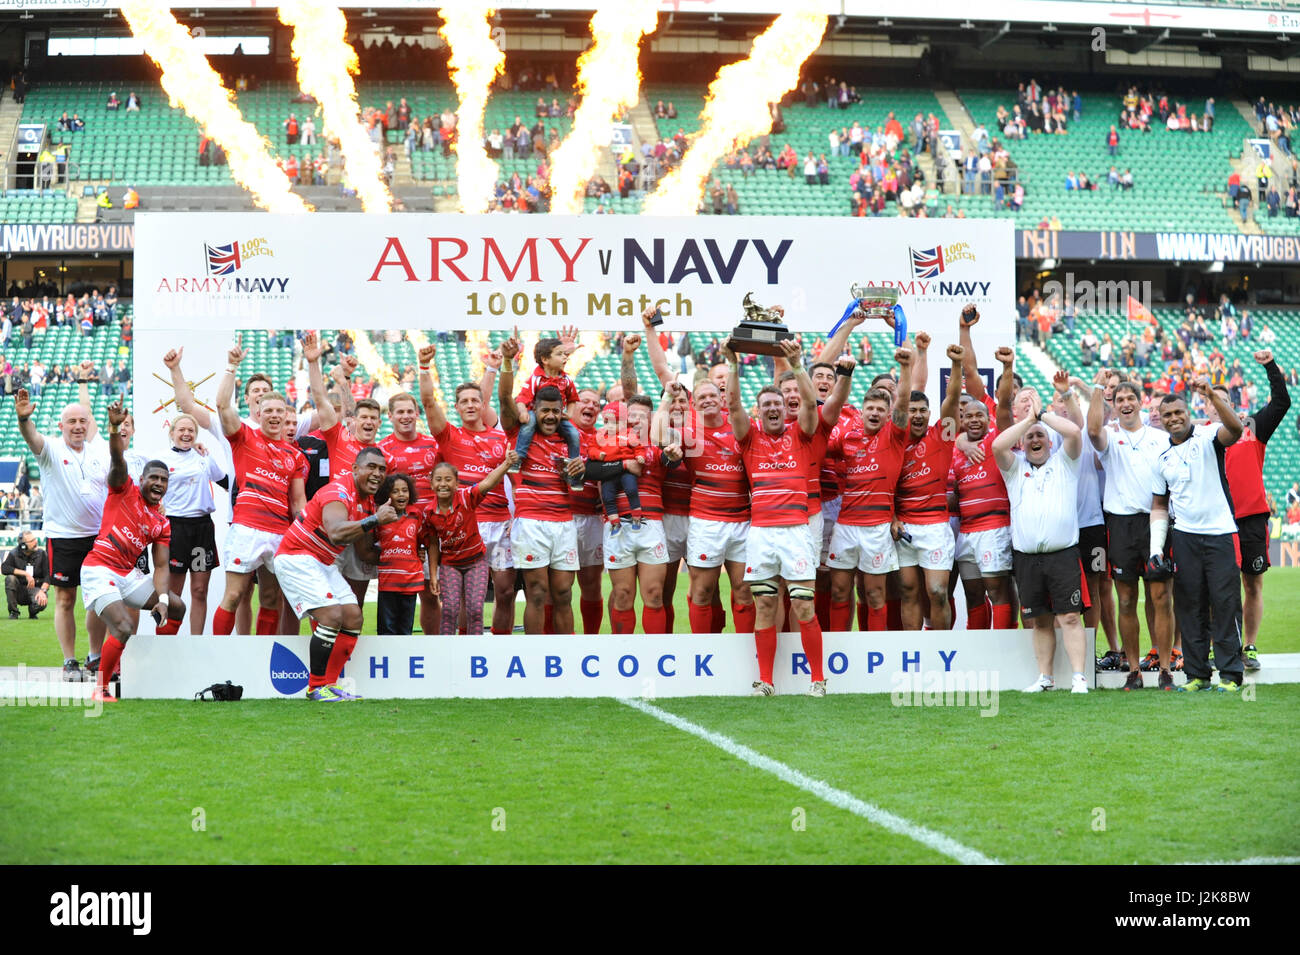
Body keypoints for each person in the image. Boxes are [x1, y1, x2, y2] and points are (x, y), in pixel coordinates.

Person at [728, 338, 842, 697]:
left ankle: (818, 680)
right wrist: (732, 365)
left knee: (804, 605)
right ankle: (766, 681)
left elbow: (811, 401)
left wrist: (796, 365)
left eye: (777, 403)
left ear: (784, 408)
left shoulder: (801, 435)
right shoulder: (749, 440)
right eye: (766, 405)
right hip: (761, 533)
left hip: (795, 532)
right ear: (758, 411)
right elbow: (732, 405)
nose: (773, 409)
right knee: (764, 604)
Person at [82, 401, 186, 702]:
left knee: (178, 607)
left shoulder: (161, 522)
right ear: (141, 480)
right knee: (125, 625)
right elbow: (117, 459)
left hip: (128, 574)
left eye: (164, 480)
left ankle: (158, 666)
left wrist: (163, 601)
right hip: (99, 569)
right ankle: (100, 689)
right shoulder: (122, 487)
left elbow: (162, 566)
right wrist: (115, 428)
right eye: (153, 478)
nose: (159, 483)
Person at [276, 447, 397, 701]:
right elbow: (337, 532)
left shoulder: (366, 502)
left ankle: (328, 685)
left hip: (322, 560)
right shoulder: (338, 491)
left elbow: (364, 550)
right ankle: (315, 687)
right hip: (297, 556)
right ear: (355, 469)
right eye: (371, 467)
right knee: (331, 615)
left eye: (382, 469)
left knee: (353, 616)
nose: (377, 474)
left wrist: (402, 554)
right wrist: (376, 519)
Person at [1151, 384, 1246, 692]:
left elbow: (1235, 427)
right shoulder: (1161, 457)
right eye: (1167, 414)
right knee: (1189, 607)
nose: (1173, 418)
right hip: (1185, 537)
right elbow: (1159, 506)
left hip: (1219, 533)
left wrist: (1213, 396)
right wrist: (1156, 548)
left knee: (1225, 604)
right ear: (1161, 419)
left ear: (1189, 412)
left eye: (1178, 412)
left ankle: (1231, 675)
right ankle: (1197, 676)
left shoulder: (1210, 435)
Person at [993, 393, 1089, 694]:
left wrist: (1041, 415)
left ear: (1050, 442)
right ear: (1022, 442)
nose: (1035, 439)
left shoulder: (1065, 462)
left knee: (1070, 617)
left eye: (1041, 437)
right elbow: (998, 445)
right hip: (1027, 557)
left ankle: (1078, 678)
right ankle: (1045, 677)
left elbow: (1073, 431)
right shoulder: (1013, 468)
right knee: (1040, 620)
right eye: (1030, 437)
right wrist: (1028, 421)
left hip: (1063, 555)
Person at [15, 380, 110, 681]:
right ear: (61, 425)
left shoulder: (97, 450)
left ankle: (95, 657)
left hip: (98, 536)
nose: (78, 426)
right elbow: (32, 439)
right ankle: (70, 661)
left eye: (83, 421)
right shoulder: (51, 450)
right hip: (64, 536)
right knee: (65, 600)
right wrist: (23, 419)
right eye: (72, 421)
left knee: (98, 599)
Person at [210, 343, 308, 635]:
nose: (275, 415)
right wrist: (231, 367)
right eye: (269, 410)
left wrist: (304, 535)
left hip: (279, 532)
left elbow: (298, 502)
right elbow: (222, 405)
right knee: (234, 595)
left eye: (280, 410)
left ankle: (262, 655)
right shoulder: (243, 438)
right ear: (259, 412)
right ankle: (219, 653)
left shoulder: (296, 456)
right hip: (246, 529)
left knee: (270, 598)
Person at [1088, 376, 1175, 687]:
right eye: (1119, 399)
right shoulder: (1110, 438)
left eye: (1130, 398)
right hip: (1121, 525)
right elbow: (1093, 430)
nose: (1125, 404)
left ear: (1142, 403)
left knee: (1161, 595)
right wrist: (1097, 388)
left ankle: (1165, 669)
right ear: (1114, 405)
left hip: (1156, 522)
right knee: (1125, 599)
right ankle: (1134, 671)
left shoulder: (1160, 438)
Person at [1207, 350, 1291, 670]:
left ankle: (1250, 646)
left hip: (1252, 517)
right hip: (1218, 520)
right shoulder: (1201, 435)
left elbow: (1281, 402)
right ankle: (1224, 646)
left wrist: (1270, 366)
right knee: (1219, 587)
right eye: (1212, 401)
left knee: (1252, 584)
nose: (1217, 406)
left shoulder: (1252, 426)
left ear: (1231, 404)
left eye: (1223, 400)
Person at [498, 335, 586, 634]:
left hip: (563, 523)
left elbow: (589, 474)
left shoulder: (571, 438)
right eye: (544, 411)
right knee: (536, 593)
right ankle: (537, 656)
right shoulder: (521, 433)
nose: (550, 416)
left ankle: (565, 655)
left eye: (555, 411)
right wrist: (508, 363)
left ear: (562, 411)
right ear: (535, 409)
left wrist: (580, 470)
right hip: (532, 522)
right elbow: (505, 399)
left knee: (563, 594)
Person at [895, 342, 966, 630]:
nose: (919, 415)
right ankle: (913, 653)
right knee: (909, 593)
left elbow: (951, 400)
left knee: (937, 592)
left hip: (936, 527)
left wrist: (956, 364)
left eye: (923, 409)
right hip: (904, 529)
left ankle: (942, 652)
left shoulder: (943, 435)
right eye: (912, 410)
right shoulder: (894, 441)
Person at [425, 454, 517, 636]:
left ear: (457, 483)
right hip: (450, 564)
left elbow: (488, 482)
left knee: (475, 609)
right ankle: (448, 652)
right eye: (439, 480)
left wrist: (506, 464)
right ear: (431, 484)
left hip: (476, 562)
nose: (443, 484)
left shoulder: (466, 497)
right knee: (450, 610)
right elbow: (433, 544)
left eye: (448, 479)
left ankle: (474, 651)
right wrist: (434, 574)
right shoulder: (429, 512)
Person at [156, 409, 226, 634]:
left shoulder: (203, 456)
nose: (186, 434)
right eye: (182, 430)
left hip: (201, 528)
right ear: (171, 433)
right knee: (172, 593)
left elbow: (225, 481)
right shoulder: (162, 459)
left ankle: (196, 643)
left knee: (199, 590)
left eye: (191, 430)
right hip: (174, 529)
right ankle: (166, 642)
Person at [507, 334, 584, 491]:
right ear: (545, 359)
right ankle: (519, 457)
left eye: (565, 354)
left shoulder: (566, 380)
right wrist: (523, 412)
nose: (565, 357)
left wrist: (568, 414)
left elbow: (573, 399)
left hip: (558, 416)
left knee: (574, 435)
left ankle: (574, 470)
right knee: (529, 425)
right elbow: (522, 398)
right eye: (560, 354)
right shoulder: (536, 379)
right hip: (537, 414)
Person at [374, 473, 423, 635]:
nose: (401, 495)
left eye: (405, 490)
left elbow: (424, 540)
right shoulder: (380, 517)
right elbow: (369, 542)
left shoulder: (416, 515)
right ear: (387, 495)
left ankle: (402, 660)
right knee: (386, 631)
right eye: (395, 491)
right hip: (388, 582)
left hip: (410, 582)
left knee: (405, 631)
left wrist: (420, 551)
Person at [4, 529, 49, 619]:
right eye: (32, 541)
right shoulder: (14, 554)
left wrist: (43, 591)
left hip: (35, 589)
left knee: (41, 601)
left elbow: (48, 576)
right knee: (10, 578)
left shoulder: (42, 554)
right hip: (19, 590)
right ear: (23, 546)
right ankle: (14, 612)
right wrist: (25, 574)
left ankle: (32, 612)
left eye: (35, 539)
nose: (36, 542)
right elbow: (5, 568)